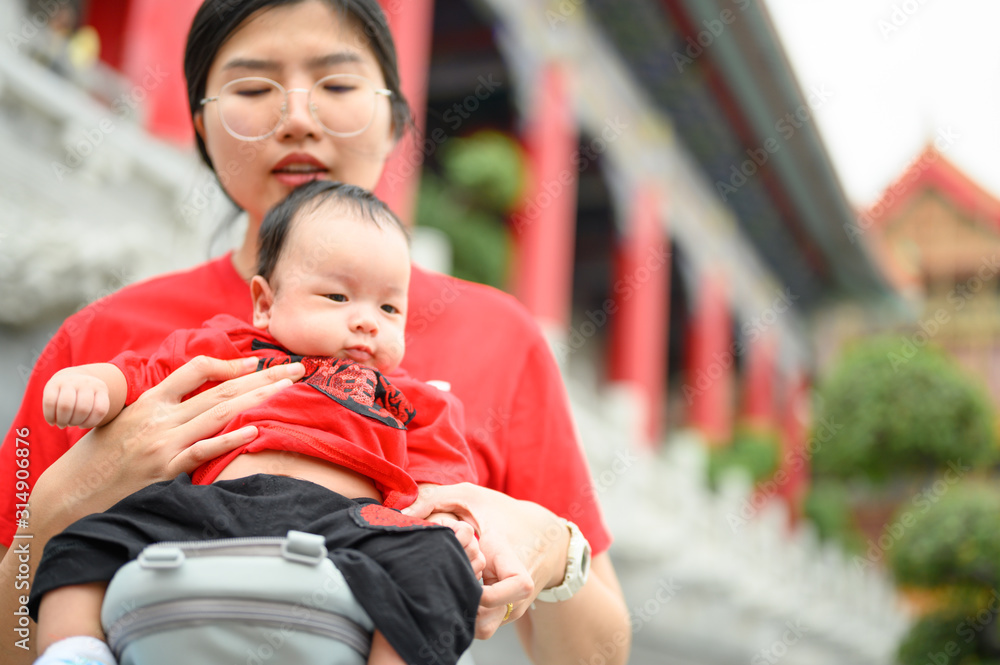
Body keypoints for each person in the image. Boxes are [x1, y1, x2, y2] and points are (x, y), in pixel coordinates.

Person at [0, 2, 631, 664]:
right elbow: (12, 636)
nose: (296, 117)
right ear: (201, 125)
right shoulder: (101, 338)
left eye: (336, 83)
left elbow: (599, 657)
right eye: (252, 88)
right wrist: (55, 510)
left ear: (395, 118)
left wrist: (555, 549)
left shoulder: (499, 339)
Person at [29, 180, 484, 665]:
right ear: (265, 304)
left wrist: (448, 518)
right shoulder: (230, 347)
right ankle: (76, 650)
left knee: (439, 559)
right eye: (337, 296)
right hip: (209, 505)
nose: (368, 321)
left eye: (389, 308)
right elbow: (145, 376)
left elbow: (442, 476)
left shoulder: (409, 397)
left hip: (346, 519)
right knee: (80, 540)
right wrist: (93, 383)